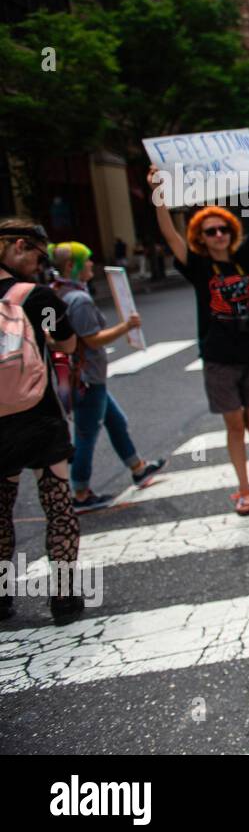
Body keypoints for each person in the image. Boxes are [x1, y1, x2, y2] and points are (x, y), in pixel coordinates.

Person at [152, 155, 249, 517]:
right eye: (210, 231)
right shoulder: (197, 265)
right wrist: (159, 193)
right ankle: (243, 489)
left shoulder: (247, 257)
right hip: (220, 357)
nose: (219, 235)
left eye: (223, 229)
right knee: (235, 425)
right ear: (201, 237)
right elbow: (168, 232)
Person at [0, 220, 85, 622]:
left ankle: (1, 597)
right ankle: (64, 598)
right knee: (57, 507)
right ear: (19, 246)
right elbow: (64, 341)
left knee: (1, 511)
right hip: (38, 415)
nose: (40, 264)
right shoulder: (38, 297)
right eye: (37, 254)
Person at [49, 241, 166, 512]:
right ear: (71, 266)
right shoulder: (78, 299)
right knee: (87, 435)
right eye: (87, 260)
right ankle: (80, 493)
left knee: (116, 420)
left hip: (79, 375)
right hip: (87, 377)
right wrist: (127, 327)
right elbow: (92, 339)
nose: (91, 264)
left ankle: (138, 468)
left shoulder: (59, 292)